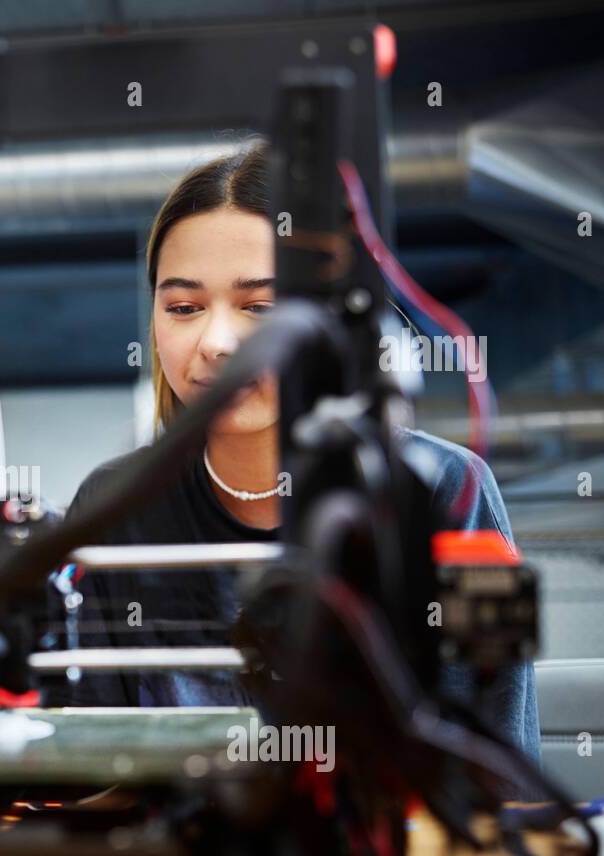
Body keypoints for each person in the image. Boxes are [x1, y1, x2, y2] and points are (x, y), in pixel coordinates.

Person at [67, 141, 541, 763]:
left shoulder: (453, 489)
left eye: (259, 308)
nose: (216, 341)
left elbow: (503, 762)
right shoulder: (115, 503)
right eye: (183, 307)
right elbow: (96, 766)